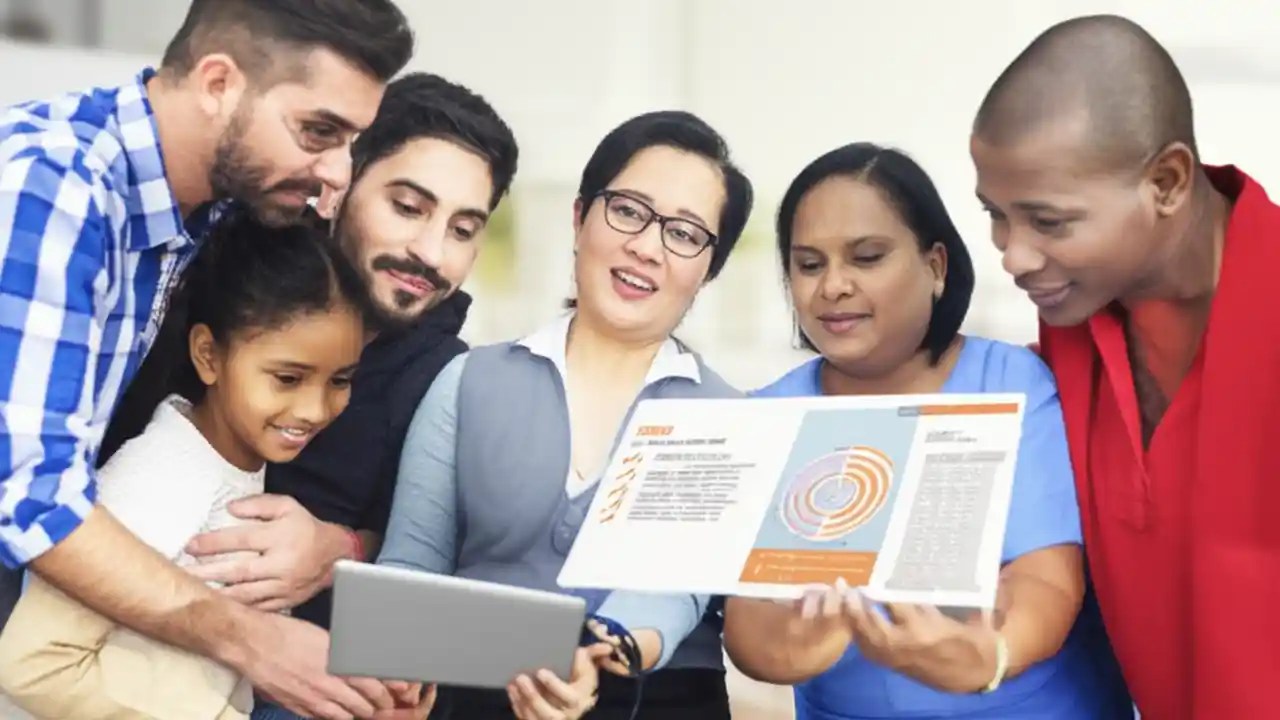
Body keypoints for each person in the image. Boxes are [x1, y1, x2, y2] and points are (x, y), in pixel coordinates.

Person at [0, 1, 416, 717]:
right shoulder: (54, 190)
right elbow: (29, 500)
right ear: (219, 83)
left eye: (352, 141)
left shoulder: (221, 206)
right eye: (318, 132)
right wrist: (250, 642)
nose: (337, 173)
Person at [721, 143, 1133, 719]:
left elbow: (1047, 578)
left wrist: (985, 653)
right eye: (809, 264)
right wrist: (791, 645)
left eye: (866, 257)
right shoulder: (769, 416)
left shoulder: (1013, 384)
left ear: (935, 267)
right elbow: (749, 619)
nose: (832, 286)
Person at [378, 110, 754, 719]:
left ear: (707, 270)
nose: (647, 247)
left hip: (654, 699)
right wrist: (402, 675)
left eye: (684, 234)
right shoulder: (470, 381)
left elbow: (678, 587)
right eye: (629, 210)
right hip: (477, 696)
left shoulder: (728, 418)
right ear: (580, 218)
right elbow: (409, 572)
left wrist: (598, 652)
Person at [0, 209, 432, 719]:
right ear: (208, 355)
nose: (316, 410)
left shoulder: (241, 467)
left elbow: (194, 673)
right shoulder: (161, 475)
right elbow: (29, 663)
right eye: (288, 379)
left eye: (339, 380)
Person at [969, 14, 1280, 720]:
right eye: (996, 215)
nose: (1013, 255)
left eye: (1048, 221)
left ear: (1167, 182)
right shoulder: (1069, 336)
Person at [148, 72, 519, 642]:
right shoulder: (226, 269)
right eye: (407, 207)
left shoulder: (448, 377)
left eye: (463, 229)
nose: (431, 253)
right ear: (340, 183)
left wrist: (338, 549)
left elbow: (433, 556)